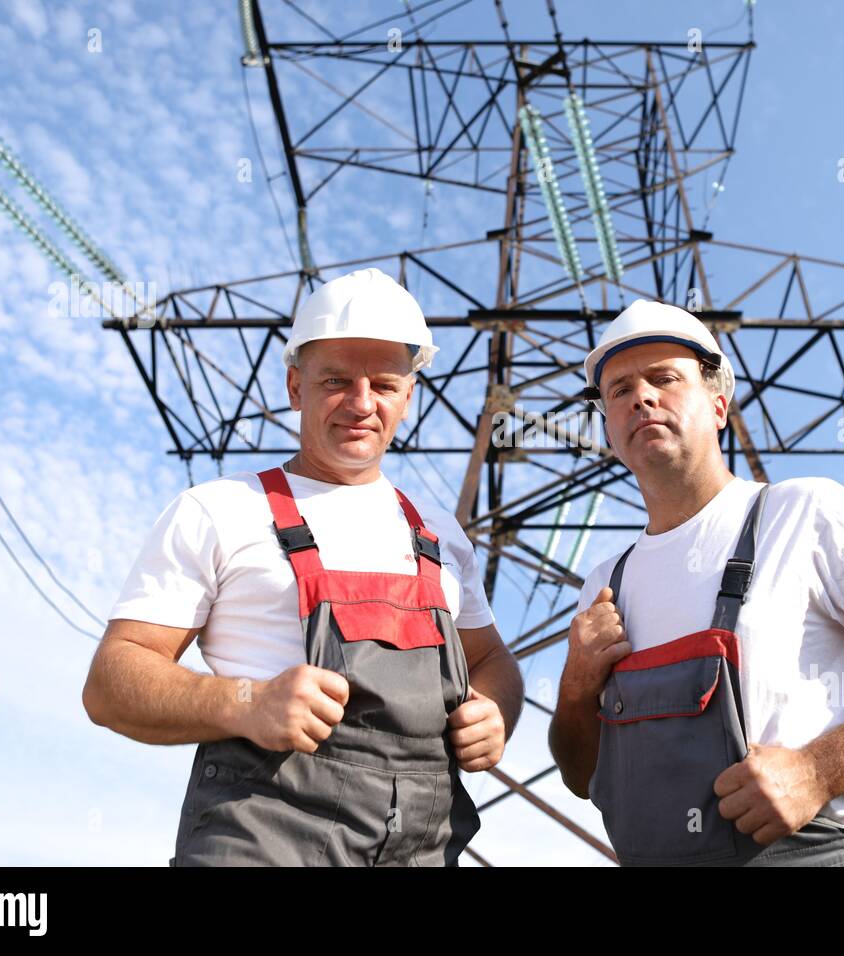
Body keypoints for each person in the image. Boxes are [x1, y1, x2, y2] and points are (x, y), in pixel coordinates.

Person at [548, 298, 844, 867]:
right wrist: (575, 687)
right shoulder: (605, 583)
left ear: (719, 406)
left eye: (664, 379)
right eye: (618, 391)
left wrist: (821, 769)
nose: (640, 398)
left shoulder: (803, 514)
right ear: (609, 427)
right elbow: (581, 777)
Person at [83, 267, 524, 866]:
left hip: (421, 846)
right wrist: (245, 702)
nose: (362, 404)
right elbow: (112, 682)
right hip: (263, 840)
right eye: (336, 381)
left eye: (385, 385)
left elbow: (493, 660)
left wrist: (496, 708)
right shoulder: (218, 511)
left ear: (409, 395)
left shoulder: (440, 534)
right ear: (296, 386)